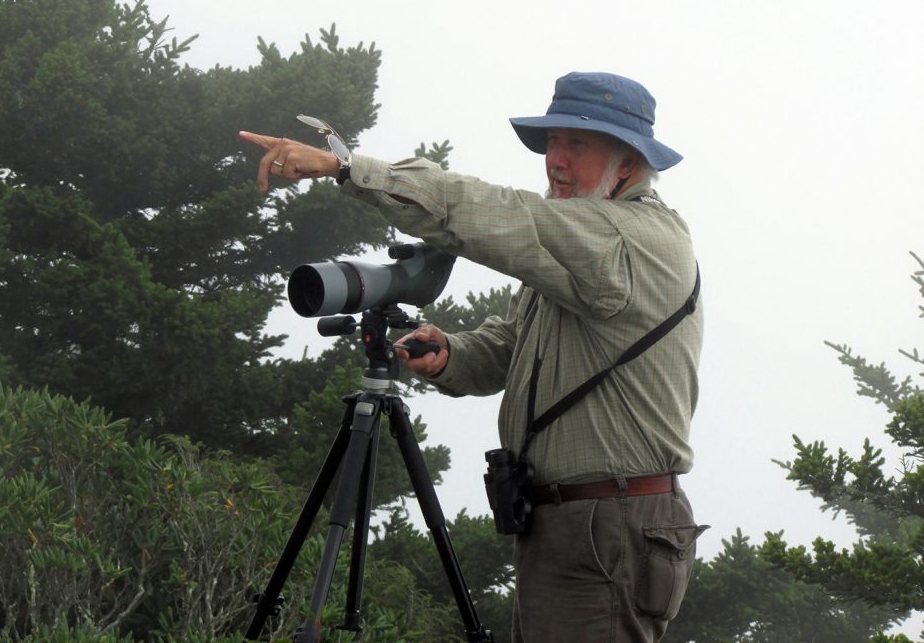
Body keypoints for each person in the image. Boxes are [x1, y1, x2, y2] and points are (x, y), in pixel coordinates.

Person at [240, 71, 705, 643]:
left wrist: (345, 167)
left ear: (629, 163)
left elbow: (495, 214)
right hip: (571, 521)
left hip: (606, 523)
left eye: (576, 144)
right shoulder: (582, 245)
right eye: (550, 143)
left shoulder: (627, 239)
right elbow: (512, 347)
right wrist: (451, 356)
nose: (554, 160)